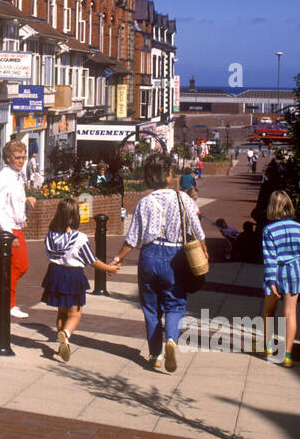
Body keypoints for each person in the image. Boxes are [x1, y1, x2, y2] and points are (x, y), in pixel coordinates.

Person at [110, 152, 205, 373]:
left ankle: (155, 354)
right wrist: (204, 253)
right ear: (170, 176)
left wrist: (117, 258)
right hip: (176, 257)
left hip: (149, 256)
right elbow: (198, 232)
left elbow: (132, 238)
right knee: (175, 304)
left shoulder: (144, 203)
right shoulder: (184, 199)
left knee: (151, 308)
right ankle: (171, 340)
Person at [42, 198, 120, 362]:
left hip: (55, 274)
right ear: (75, 216)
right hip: (73, 275)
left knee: (62, 312)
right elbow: (92, 260)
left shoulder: (50, 234)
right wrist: (110, 268)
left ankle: (61, 343)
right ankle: (66, 334)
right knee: (75, 314)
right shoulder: (79, 238)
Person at [0, 140, 36, 318]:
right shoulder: (2, 179)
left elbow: (12, 202)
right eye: (17, 157)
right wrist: (8, 235)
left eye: (23, 157)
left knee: (18, 266)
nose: (21, 161)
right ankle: (7, 303)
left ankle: (0, 293)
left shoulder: (17, 176)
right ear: (8, 158)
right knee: (16, 266)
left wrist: (26, 202)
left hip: (13, 227)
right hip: (4, 229)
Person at [261, 190, 300, 367]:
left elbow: (269, 258)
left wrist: (271, 281)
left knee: (269, 311)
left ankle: (267, 345)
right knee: (290, 313)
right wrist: (299, 260)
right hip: (294, 271)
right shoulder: (298, 227)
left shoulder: (268, 230)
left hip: (276, 272)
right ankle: (287, 354)